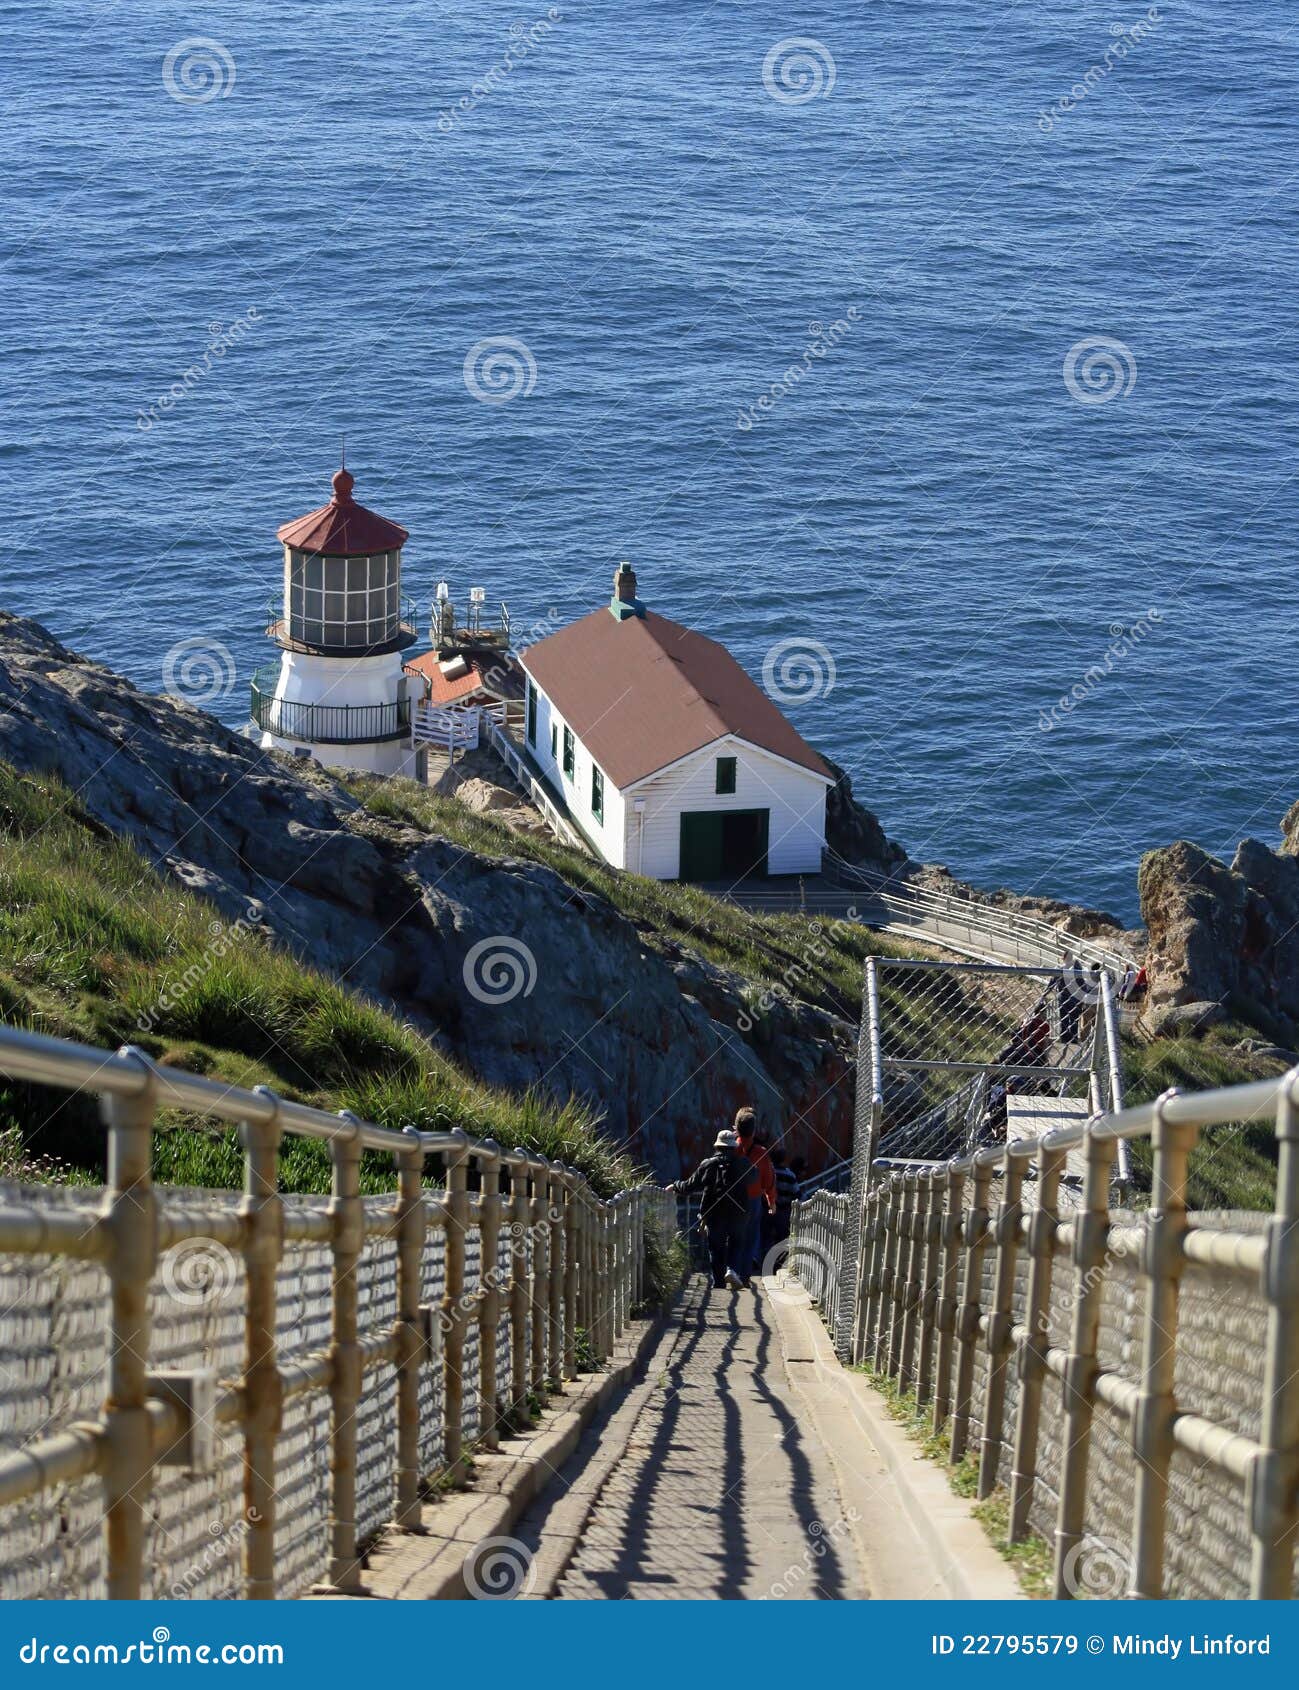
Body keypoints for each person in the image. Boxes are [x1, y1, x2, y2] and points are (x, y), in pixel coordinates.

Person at [669, 1129, 753, 1289]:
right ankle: (731, 1270)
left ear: (717, 1146)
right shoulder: (742, 1163)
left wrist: (675, 1186)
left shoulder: (708, 1164)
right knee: (736, 1243)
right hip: (739, 1212)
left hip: (714, 1212)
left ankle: (719, 1282)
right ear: (734, 1146)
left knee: (716, 1247)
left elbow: (690, 1185)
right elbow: (754, 1178)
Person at [733, 1108, 776, 1274]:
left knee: (733, 1235)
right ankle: (744, 1275)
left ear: (736, 1127)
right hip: (753, 1199)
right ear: (754, 1131)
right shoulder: (761, 1153)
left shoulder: (730, 1148)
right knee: (750, 1238)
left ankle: (731, 1269)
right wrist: (771, 1201)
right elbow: (769, 1180)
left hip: (732, 1198)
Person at [770, 1148, 798, 1247]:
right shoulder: (789, 1175)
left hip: (768, 1208)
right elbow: (796, 1192)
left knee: (767, 1235)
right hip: (783, 1209)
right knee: (782, 1236)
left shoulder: (769, 1171)